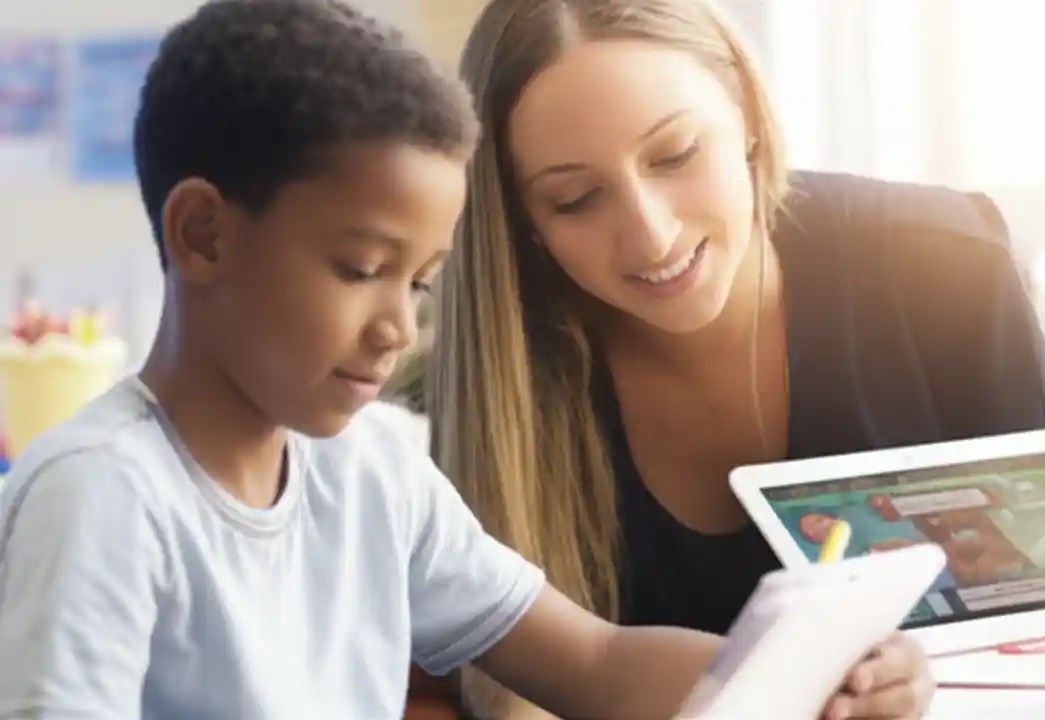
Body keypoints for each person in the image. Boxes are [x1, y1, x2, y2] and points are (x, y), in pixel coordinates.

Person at [0, 2, 878, 718]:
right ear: (203, 235)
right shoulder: (101, 494)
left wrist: (819, 677)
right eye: (360, 270)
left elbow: (596, 663)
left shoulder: (371, 470)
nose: (398, 327)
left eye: (419, 282)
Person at [417, 0, 1045, 716]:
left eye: (675, 155)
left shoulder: (946, 268)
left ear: (749, 114)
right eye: (576, 199)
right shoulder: (488, 386)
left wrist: (931, 674)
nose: (652, 236)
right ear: (523, 223)